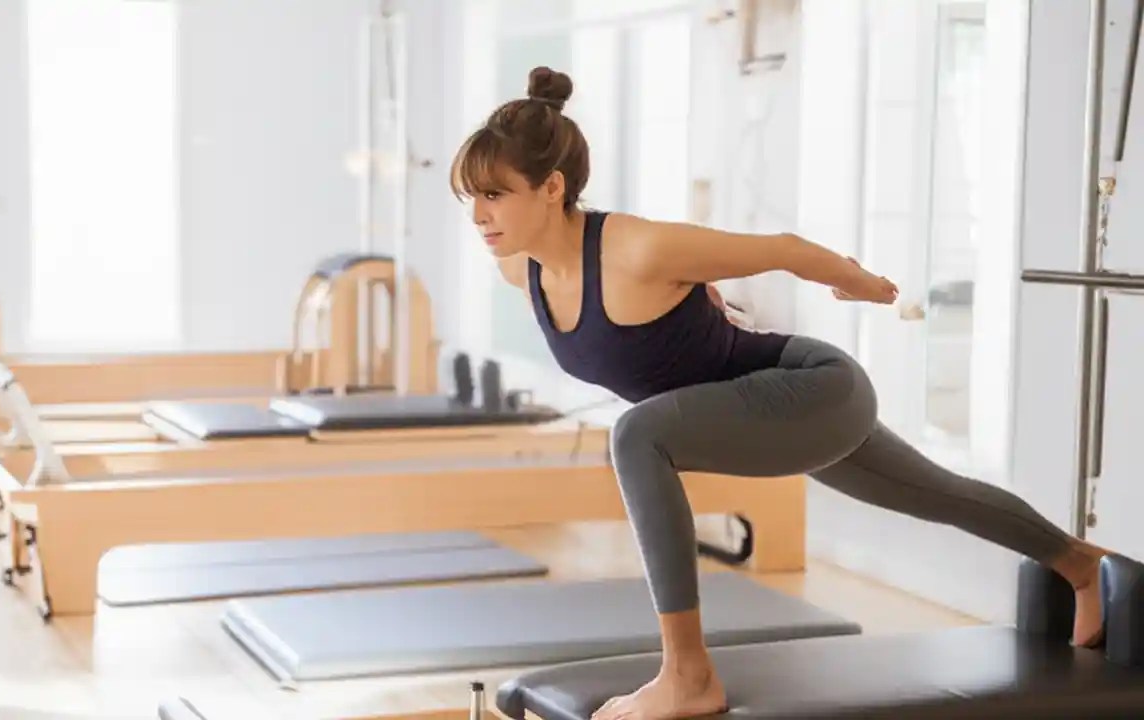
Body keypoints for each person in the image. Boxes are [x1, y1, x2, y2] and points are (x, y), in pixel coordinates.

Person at [448, 65, 1113, 720]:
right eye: (471, 198)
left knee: (637, 433)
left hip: (812, 385)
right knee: (936, 492)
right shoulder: (520, 273)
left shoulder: (636, 248)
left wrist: (859, 282)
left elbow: (783, 248)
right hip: (760, 407)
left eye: (494, 195)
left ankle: (687, 674)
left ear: (552, 187)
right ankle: (1082, 564)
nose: (478, 215)